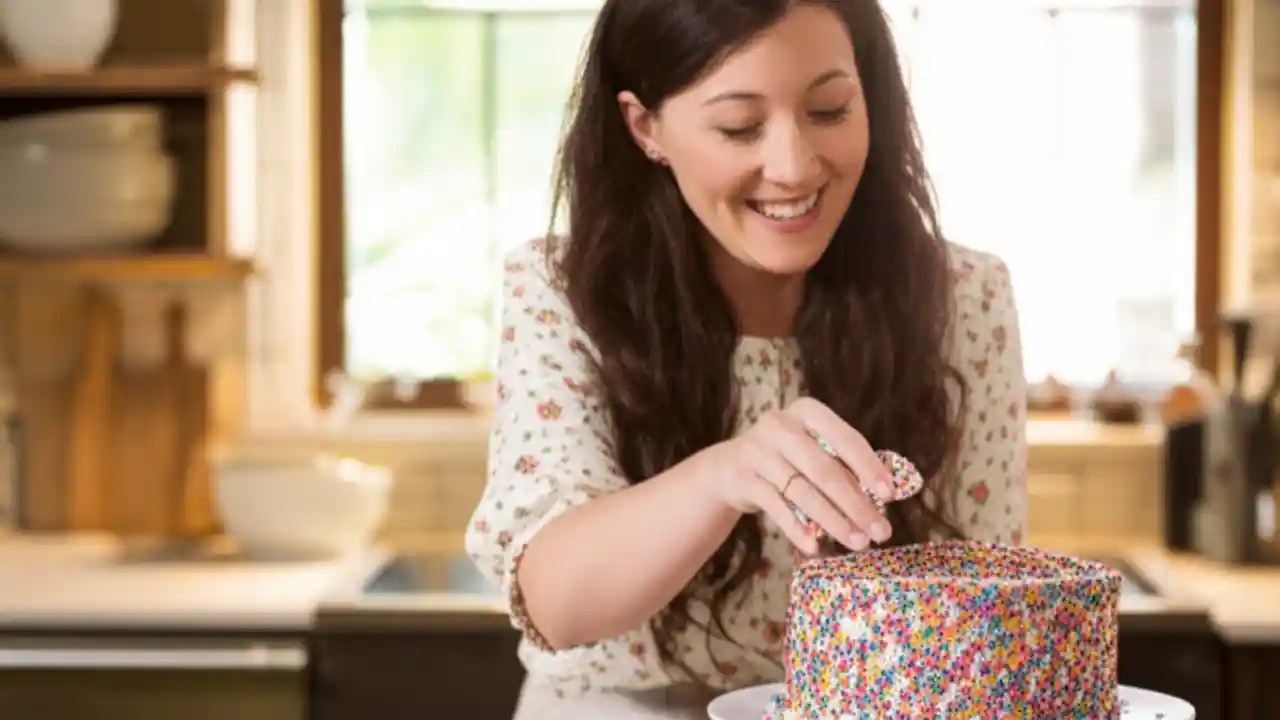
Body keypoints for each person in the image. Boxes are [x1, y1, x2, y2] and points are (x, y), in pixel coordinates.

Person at [465, 0, 1027, 717]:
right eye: (739, 127)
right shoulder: (562, 289)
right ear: (645, 127)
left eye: (829, 110)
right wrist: (723, 475)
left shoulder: (963, 297)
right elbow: (559, 602)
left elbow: (989, 614)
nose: (793, 167)